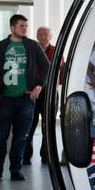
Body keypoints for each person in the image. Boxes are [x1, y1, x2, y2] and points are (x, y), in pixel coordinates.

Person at [0, 15, 50, 182]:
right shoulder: (0, 46)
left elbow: (46, 66)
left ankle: (16, 170)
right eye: (21, 26)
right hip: (4, 99)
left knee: (21, 137)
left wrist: (39, 86)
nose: (25, 29)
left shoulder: (32, 46)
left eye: (26, 26)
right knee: (0, 137)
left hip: (25, 99)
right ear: (12, 27)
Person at [22, 26, 57, 165]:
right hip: (32, 93)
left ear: (50, 37)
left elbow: (57, 71)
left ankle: (46, 156)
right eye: (40, 35)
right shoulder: (30, 51)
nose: (42, 37)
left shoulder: (56, 51)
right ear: (36, 36)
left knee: (47, 126)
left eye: (45, 35)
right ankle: (26, 156)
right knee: (29, 125)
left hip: (49, 93)